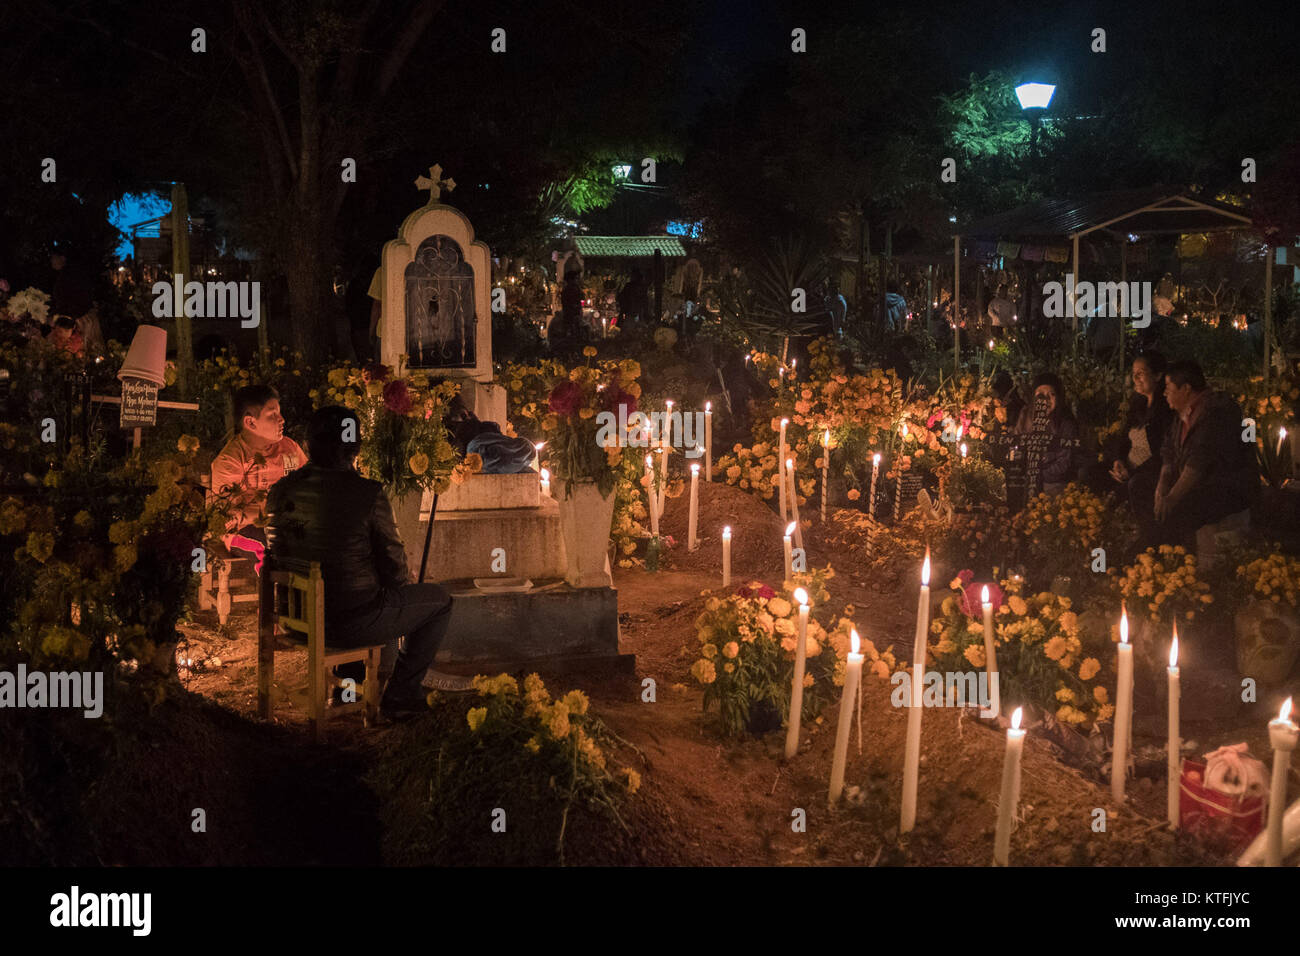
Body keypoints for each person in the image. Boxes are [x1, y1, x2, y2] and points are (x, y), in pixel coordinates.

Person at [265, 405, 457, 717]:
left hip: (294, 620)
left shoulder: (279, 490)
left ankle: (349, 689)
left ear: (310, 443)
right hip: (348, 624)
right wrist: (399, 588)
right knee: (439, 601)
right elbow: (394, 567)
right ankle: (401, 695)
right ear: (354, 447)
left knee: (352, 586)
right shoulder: (367, 492)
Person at [1155, 360, 1258, 550]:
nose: (1164, 393)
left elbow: (1199, 462)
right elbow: (1168, 450)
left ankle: (1172, 561)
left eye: (1168, 388)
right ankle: (1157, 555)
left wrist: (1170, 498)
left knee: (1176, 510)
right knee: (1142, 487)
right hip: (1200, 483)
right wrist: (1161, 486)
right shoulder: (1183, 413)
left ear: (1185, 388)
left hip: (1226, 488)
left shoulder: (1217, 412)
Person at [209, 385, 307, 572]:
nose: (282, 420)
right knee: (271, 549)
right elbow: (231, 516)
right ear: (250, 423)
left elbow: (310, 484)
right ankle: (274, 599)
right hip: (244, 532)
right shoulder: (231, 460)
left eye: (279, 413)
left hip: (287, 523)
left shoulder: (289, 448)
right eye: (272, 415)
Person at [1105, 351, 1174, 548]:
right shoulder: (1138, 405)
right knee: (1091, 472)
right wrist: (1118, 460)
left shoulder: (1165, 410)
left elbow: (1164, 453)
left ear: (1158, 375)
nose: (1135, 378)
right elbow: (1123, 438)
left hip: (1148, 472)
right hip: (1128, 466)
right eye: (1133, 373)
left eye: (1141, 373)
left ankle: (1148, 544)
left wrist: (1132, 472)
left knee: (1136, 484)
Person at [1015, 372, 1081, 495]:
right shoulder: (1025, 415)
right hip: (1025, 479)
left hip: (1053, 483)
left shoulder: (1065, 422)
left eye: (1051, 394)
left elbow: (1064, 463)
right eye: (1040, 395)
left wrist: (1037, 475)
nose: (1045, 400)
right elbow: (1016, 445)